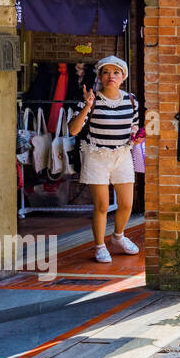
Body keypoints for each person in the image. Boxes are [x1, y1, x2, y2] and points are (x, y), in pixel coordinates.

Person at [69, 55, 143, 264]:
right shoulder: (91, 99)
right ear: (100, 76)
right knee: (102, 205)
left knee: (127, 204)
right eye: (106, 72)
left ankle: (118, 237)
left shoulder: (131, 100)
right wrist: (87, 106)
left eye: (116, 72)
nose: (111, 76)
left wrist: (136, 135)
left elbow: (133, 125)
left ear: (123, 77)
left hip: (122, 154)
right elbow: (73, 130)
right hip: (96, 155)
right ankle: (99, 246)